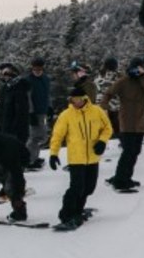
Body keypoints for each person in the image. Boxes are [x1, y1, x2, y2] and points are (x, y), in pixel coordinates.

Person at [48, 85, 112, 229]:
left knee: (89, 187)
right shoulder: (66, 115)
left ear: (84, 98)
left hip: (93, 157)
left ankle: (78, 210)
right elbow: (57, 136)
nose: (75, 102)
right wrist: (53, 154)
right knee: (76, 187)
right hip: (76, 158)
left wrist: (102, 141)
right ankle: (66, 214)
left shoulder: (97, 111)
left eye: (78, 99)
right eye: (73, 99)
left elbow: (108, 128)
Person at [100, 58, 144, 191]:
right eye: (134, 68)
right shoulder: (123, 81)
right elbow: (108, 93)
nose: (136, 71)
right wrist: (104, 107)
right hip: (127, 122)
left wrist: (143, 75)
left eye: (139, 69)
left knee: (135, 151)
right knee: (128, 152)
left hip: (140, 122)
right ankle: (120, 180)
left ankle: (126, 177)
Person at [25, 58, 52, 171]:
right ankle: (29, 161)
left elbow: (48, 94)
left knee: (43, 135)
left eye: (39, 69)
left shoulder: (45, 79)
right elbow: (28, 98)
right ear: (32, 68)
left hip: (43, 113)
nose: (37, 71)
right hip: (34, 114)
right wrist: (30, 113)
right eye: (35, 69)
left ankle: (35, 157)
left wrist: (50, 107)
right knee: (34, 137)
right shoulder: (28, 80)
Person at [0, 63, 31, 148]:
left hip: (17, 127)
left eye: (8, 73)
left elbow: (21, 109)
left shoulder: (20, 87)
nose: (5, 76)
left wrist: (17, 126)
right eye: (3, 73)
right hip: (5, 125)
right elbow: (1, 107)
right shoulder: (5, 88)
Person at [94, 57, 122, 137]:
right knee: (117, 125)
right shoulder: (117, 76)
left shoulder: (99, 76)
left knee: (103, 127)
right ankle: (122, 140)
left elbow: (96, 89)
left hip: (101, 105)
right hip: (115, 105)